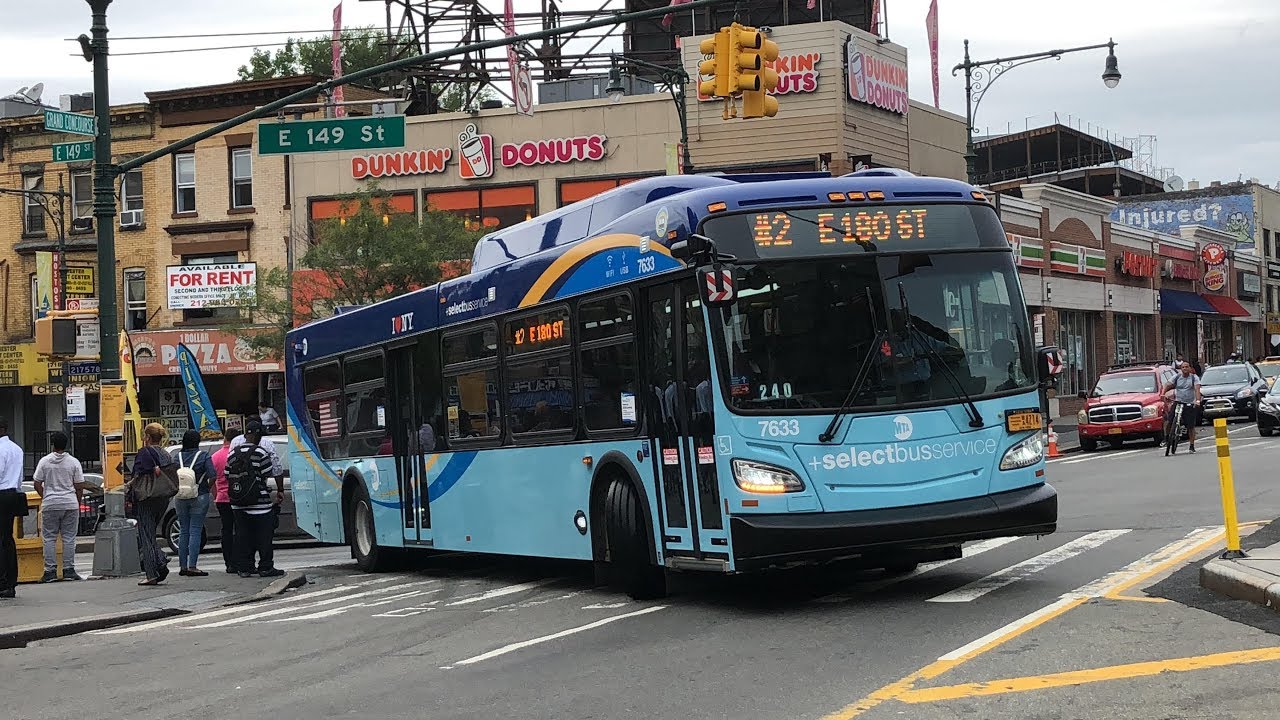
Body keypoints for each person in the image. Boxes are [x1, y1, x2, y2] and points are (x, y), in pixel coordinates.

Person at [228, 421, 285, 578]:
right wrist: (279, 490)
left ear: (246, 434)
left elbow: (227, 474)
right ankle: (265, 566)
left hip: (238, 503)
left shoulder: (233, 453)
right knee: (264, 536)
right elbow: (267, 472)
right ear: (258, 436)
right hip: (260, 503)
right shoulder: (260, 452)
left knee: (243, 535)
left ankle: (245, 567)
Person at [33, 431, 86, 583]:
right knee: (69, 538)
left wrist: (46, 496)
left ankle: (50, 571)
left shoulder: (44, 461)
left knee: (49, 538)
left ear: (52, 444)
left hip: (50, 503)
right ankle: (69, 570)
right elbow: (79, 485)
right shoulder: (74, 462)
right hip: (70, 503)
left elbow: (37, 483)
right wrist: (76, 501)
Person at [130, 423, 173, 585]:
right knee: (151, 532)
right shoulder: (166, 454)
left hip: (147, 497)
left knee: (146, 535)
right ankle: (159, 561)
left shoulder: (144, 452)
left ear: (147, 437)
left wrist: (129, 485)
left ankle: (152, 573)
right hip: (163, 497)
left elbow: (139, 473)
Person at [171, 429, 216, 577]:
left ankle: (182, 566)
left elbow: (171, 476)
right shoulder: (203, 456)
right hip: (199, 495)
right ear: (197, 441)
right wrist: (206, 488)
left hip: (180, 497)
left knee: (184, 530)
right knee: (195, 530)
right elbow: (212, 475)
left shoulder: (177, 457)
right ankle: (193, 566)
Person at [0, 418, 26, 599]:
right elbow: (19, 476)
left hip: (1, 493)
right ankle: (10, 582)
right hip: (12, 494)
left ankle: (2, 581)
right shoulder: (16, 449)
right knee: (7, 539)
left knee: (1, 541)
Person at [1163, 361, 1203, 454]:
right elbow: (1167, 385)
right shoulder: (1177, 377)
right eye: (1183, 367)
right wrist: (1163, 393)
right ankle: (1167, 437)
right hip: (1178, 401)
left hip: (1189, 403)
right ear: (1181, 369)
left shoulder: (1194, 378)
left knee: (1190, 426)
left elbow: (1197, 389)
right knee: (1169, 420)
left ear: (1190, 368)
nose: (1185, 369)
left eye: (1187, 367)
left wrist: (1197, 401)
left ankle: (1192, 446)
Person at [210, 434, 236, 574]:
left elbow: (212, 480)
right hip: (238, 498)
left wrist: (216, 496)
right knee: (240, 530)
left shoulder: (215, 456)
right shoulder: (236, 454)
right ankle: (240, 560)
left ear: (225, 439)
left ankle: (229, 563)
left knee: (226, 530)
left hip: (222, 498)